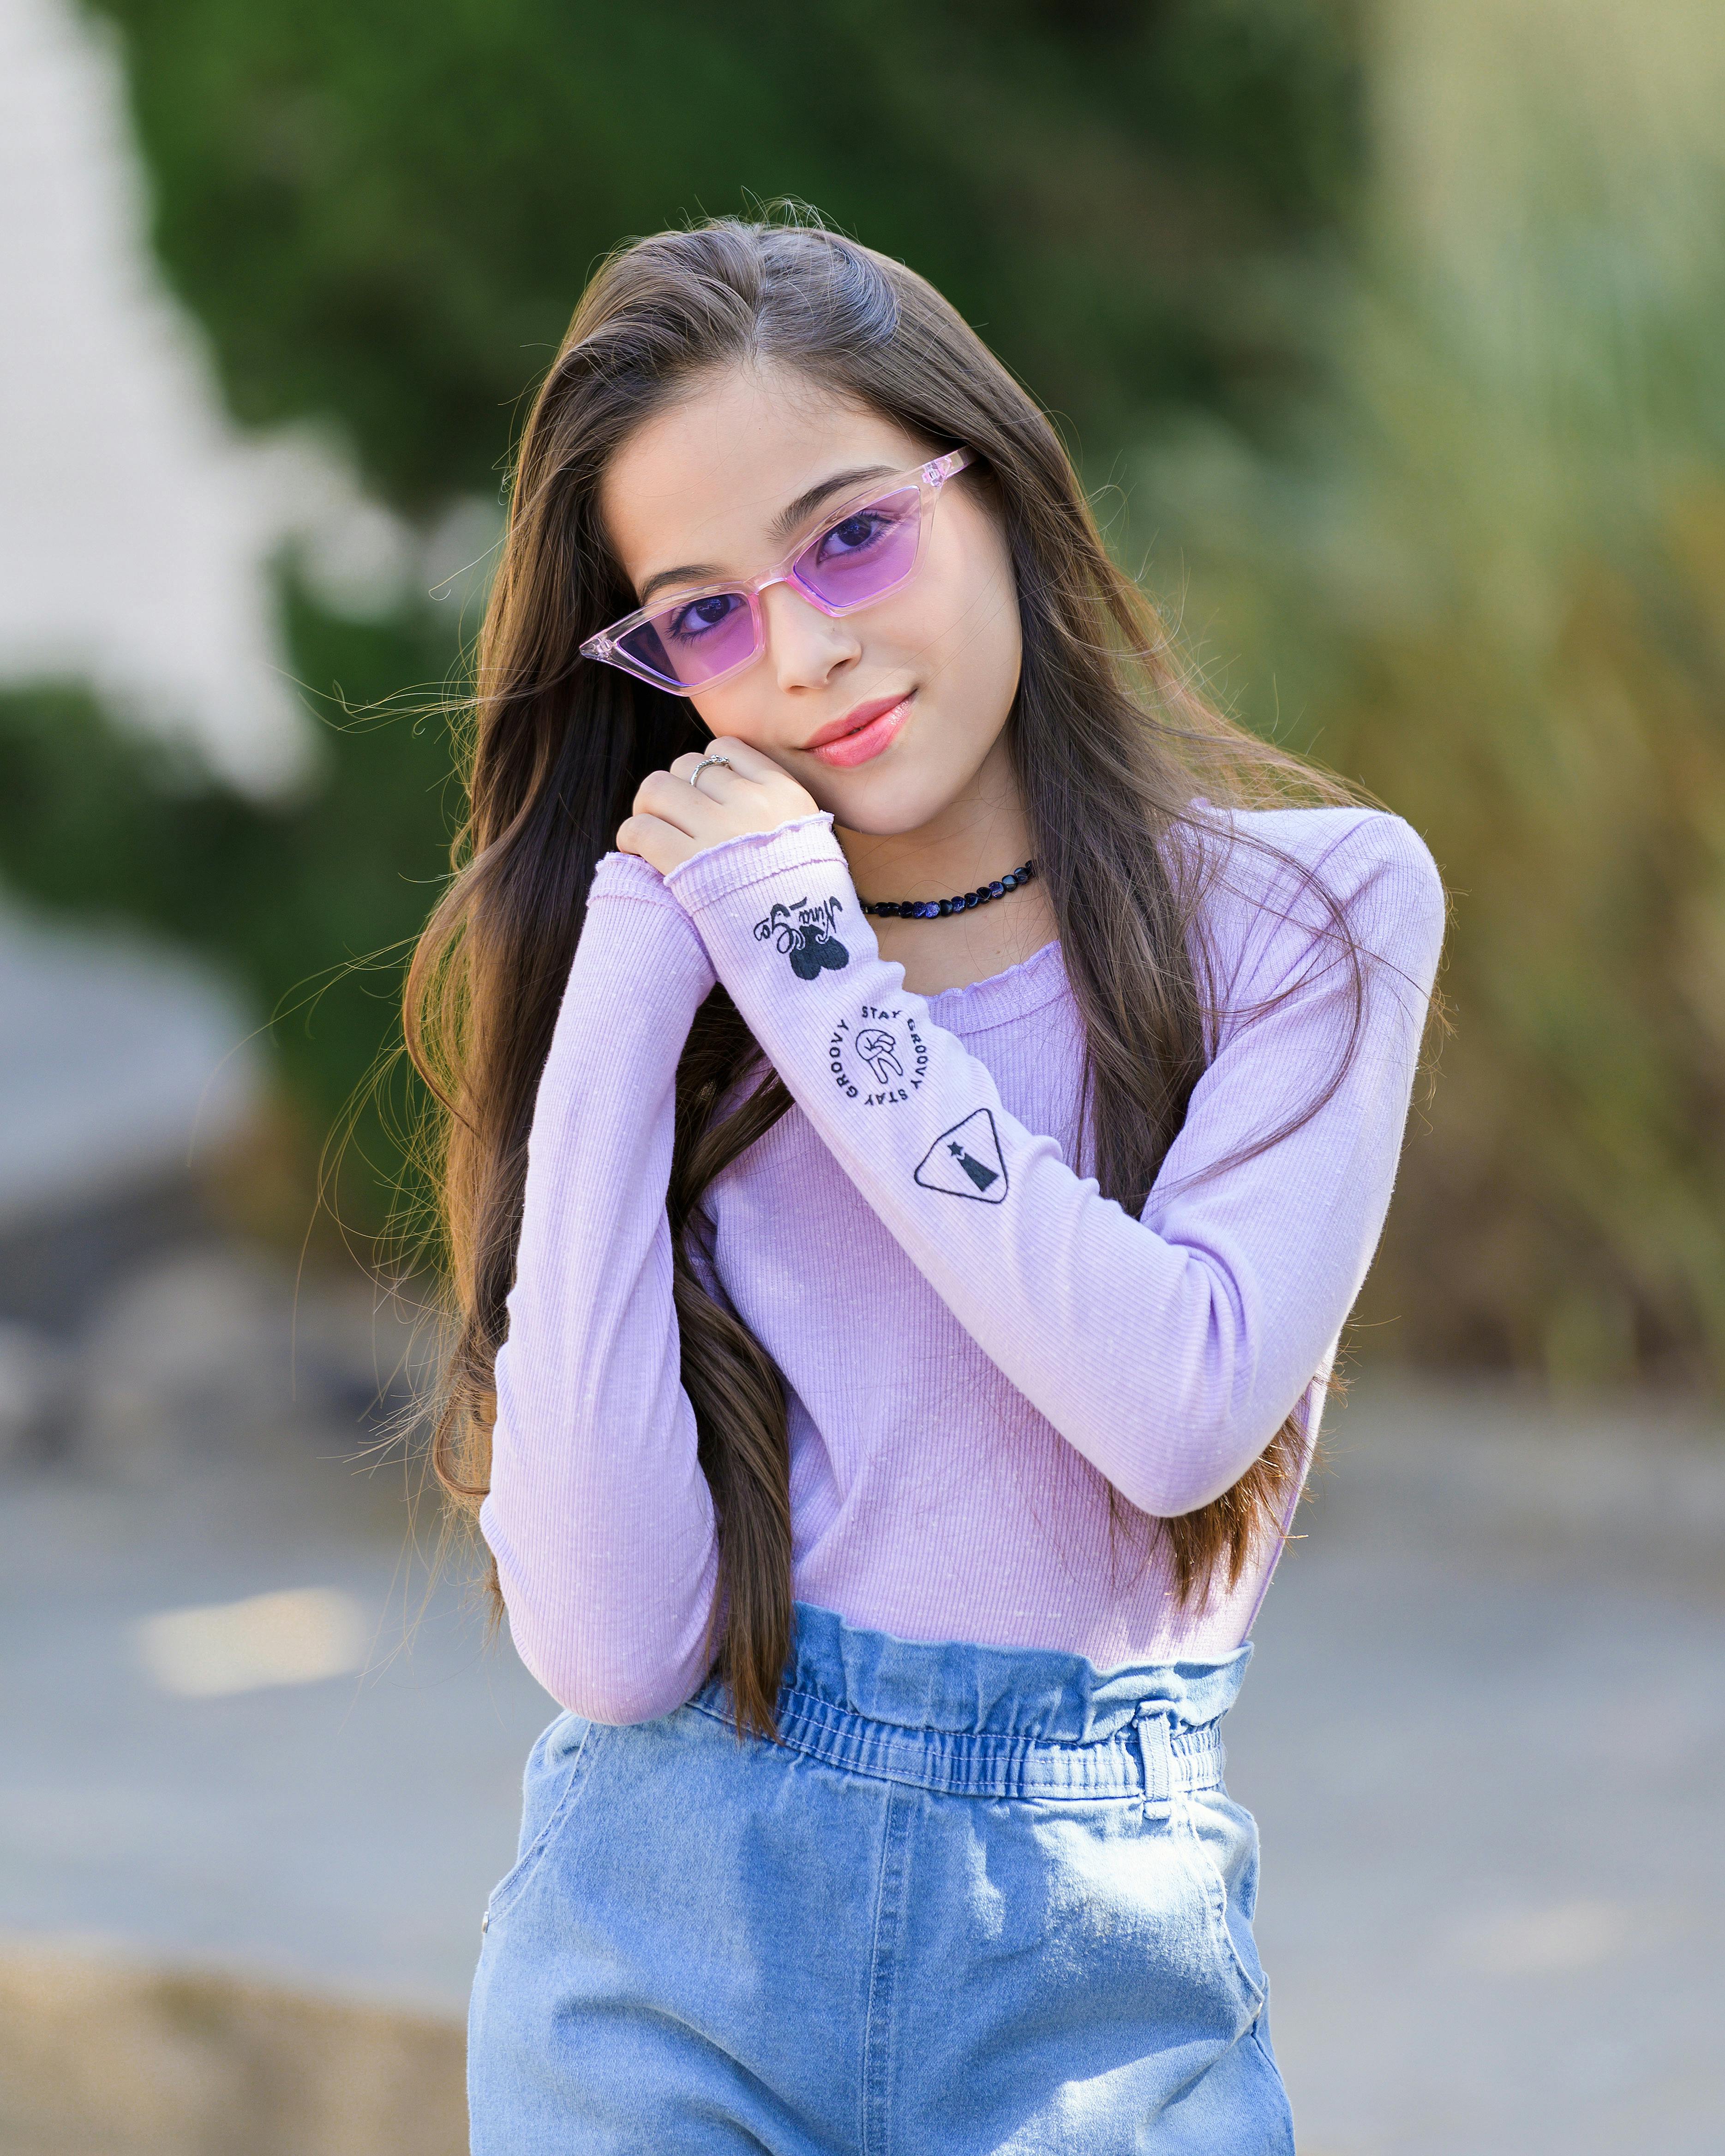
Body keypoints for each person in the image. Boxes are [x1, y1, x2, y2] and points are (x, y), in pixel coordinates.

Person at [405, 212, 1446, 2154]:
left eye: (850, 535)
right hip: (660, 1964)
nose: (799, 650)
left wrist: (811, 969)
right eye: (701, 612)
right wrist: (634, 972)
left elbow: (1173, 1408)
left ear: (996, 485)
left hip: (1091, 2007)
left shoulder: (1313, 917)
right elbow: (617, 1643)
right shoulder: (680, 968)